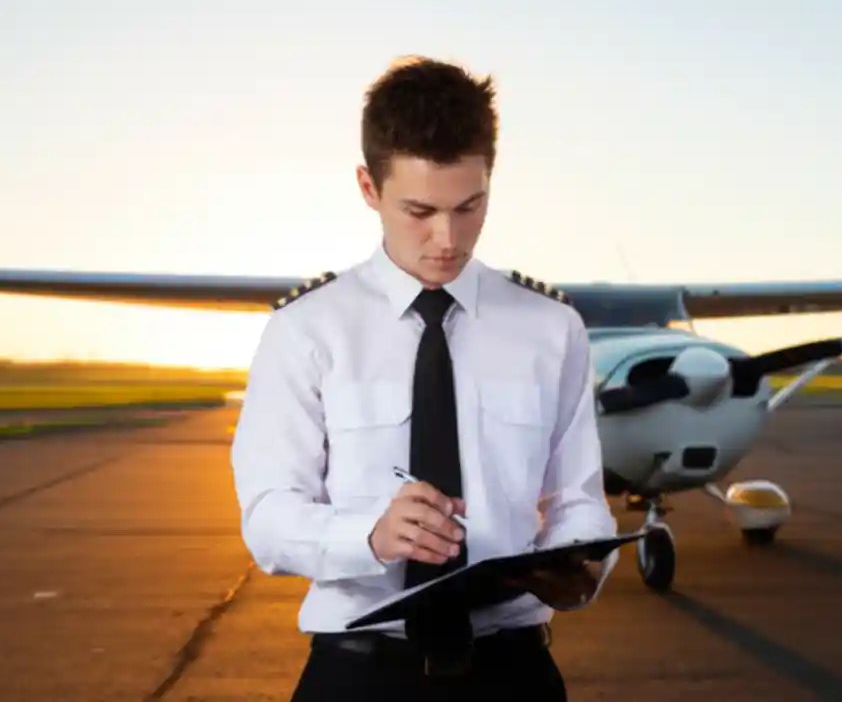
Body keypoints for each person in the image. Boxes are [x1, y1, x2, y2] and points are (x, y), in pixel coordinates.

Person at [229, 55, 619, 701]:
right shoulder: (306, 330)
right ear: (367, 186)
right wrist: (369, 535)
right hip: (359, 676)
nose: (447, 238)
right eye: (419, 210)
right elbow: (268, 518)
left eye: (470, 206)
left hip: (513, 673)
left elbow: (578, 498)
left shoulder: (553, 328)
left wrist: (582, 559)